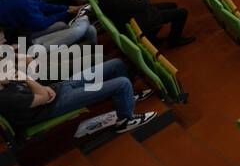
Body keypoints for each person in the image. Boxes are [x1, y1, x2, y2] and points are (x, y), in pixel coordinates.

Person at [0, 53, 157, 136]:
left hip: (59, 88)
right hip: (56, 104)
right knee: (122, 83)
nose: (9, 68)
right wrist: (25, 78)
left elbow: (39, 87)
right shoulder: (6, 98)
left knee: (116, 64)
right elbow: (44, 98)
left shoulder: (5, 81)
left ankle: (125, 99)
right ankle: (125, 119)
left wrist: (42, 88)